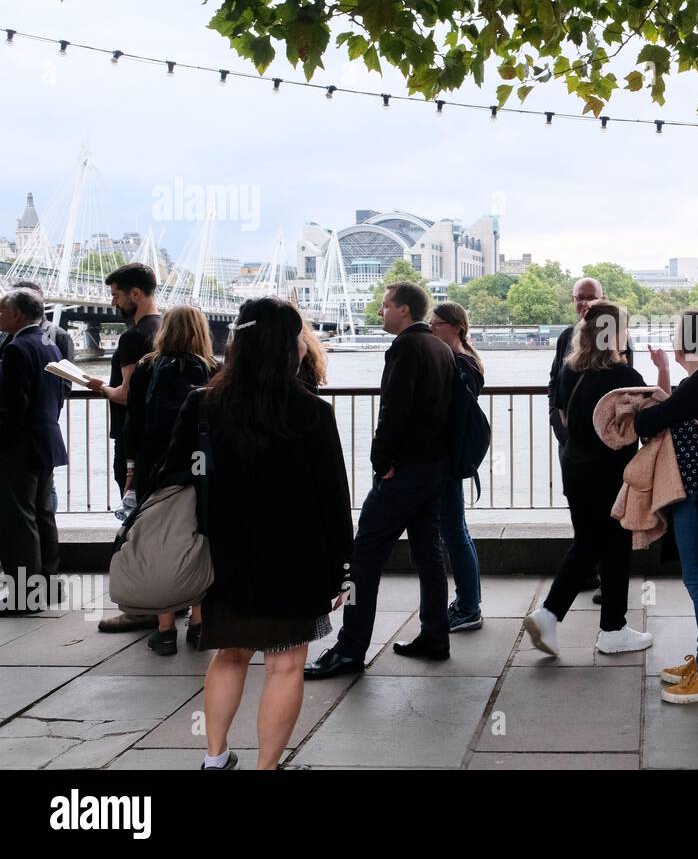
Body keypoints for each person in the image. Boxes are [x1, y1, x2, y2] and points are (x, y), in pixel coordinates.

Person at [156, 297, 352, 770]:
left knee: (230, 654)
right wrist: (342, 570)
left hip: (223, 556)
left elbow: (171, 478)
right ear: (288, 347)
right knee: (286, 665)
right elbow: (333, 500)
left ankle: (215, 757)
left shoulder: (203, 404)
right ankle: (267, 767)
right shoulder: (312, 413)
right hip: (296, 558)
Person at [306, 282, 457, 678]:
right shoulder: (440, 347)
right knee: (429, 553)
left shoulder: (406, 347)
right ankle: (435, 636)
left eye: (386, 305)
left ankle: (350, 648)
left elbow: (394, 409)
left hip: (404, 470)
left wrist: (381, 459)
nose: (380, 312)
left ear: (404, 309)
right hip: (434, 467)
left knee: (363, 558)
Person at [525, 301, 654, 657]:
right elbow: (653, 419)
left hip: (575, 468)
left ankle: (603, 625)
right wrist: (661, 371)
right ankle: (592, 624)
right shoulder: (623, 377)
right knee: (608, 546)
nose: (627, 334)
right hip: (609, 475)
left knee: (592, 543)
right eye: (624, 328)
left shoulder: (570, 370)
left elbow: (564, 415)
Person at [634, 310, 698, 702]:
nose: (675, 341)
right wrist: (664, 375)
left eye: (679, 335)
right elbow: (671, 412)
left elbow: (647, 423)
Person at [125, 305, 218, 655]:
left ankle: (165, 630)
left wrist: (131, 469)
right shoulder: (213, 368)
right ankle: (199, 624)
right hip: (200, 465)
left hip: (155, 464)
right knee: (201, 538)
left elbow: (133, 422)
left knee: (159, 540)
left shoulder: (147, 367)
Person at [88, 263, 165, 634]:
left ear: (136, 293)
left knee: (136, 523)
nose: (113, 303)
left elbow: (128, 395)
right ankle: (173, 599)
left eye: (116, 295)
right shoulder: (166, 328)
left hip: (135, 442)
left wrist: (100, 387)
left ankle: (143, 607)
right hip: (165, 441)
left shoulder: (133, 338)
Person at [547, 277, 633, 603]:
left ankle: (562, 606)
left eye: (590, 297)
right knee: (604, 532)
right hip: (598, 457)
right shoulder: (568, 343)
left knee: (591, 535)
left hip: (580, 455)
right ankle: (605, 605)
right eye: (579, 297)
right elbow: (637, 406)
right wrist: (563, 432)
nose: (583, 302)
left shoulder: (574, 368)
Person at [0, 288, 67, 614]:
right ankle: (49, 586)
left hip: (21, 446)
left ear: (16, 314)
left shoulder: (16, 348)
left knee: (18, 521)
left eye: (2, 311)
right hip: (46, 440)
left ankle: (25, 596)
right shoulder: (49, 344)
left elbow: (14, 406)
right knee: (43, 515)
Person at [430, 301, 486, 633]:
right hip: (452, 457)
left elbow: (451, 414)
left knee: (453, 533)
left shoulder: (459, 364)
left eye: (436, 324)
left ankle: (468, 606)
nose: (431, 328)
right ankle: (468, 603)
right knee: (456, 532)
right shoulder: (466, 360)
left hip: (446, 459)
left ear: (456, 327)